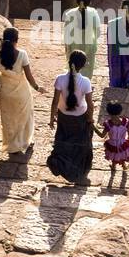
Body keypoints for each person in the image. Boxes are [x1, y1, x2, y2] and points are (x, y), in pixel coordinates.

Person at [48, 50, 99, 185]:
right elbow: (90, 104)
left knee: (63, 141)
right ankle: (78, 171)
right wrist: (90, 119)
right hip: (80, 118)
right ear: (82, 66)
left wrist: (51, 118)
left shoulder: (60, 79)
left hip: (63, 117)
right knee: (80, 145)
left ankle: (60, 164)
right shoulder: (85, 82)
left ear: (69, 62)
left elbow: (55, 101)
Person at [0, 26, 42, 156]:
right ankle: (24, 141)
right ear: (16, 40)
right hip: (22, 92)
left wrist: (1, 74)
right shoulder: (22, 54)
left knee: (9, 119)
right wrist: (38, 88)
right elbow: (29, 77)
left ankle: (12, 145)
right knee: (25, 116)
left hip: (6, 93)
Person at [62, 0, 103, 79]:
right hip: (89, 47)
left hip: (74, 47)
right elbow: (98, 32)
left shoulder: (70, 13)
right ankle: (85, 87)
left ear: (77, 1)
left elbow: (66, 34)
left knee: (74, 69)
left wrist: (67, 48)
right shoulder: (94, 13)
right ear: (89, 1)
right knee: (87, 70)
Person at [101, 100, 129, 189]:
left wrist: (93, 127)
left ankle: (114, 167)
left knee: (114, 155)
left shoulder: (108, 124)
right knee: (122, 154)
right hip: (122, 142)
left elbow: (102, 135)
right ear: (120, 111)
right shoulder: (125, 122)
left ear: (108, 112)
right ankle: (124, 165)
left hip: (112, 143)